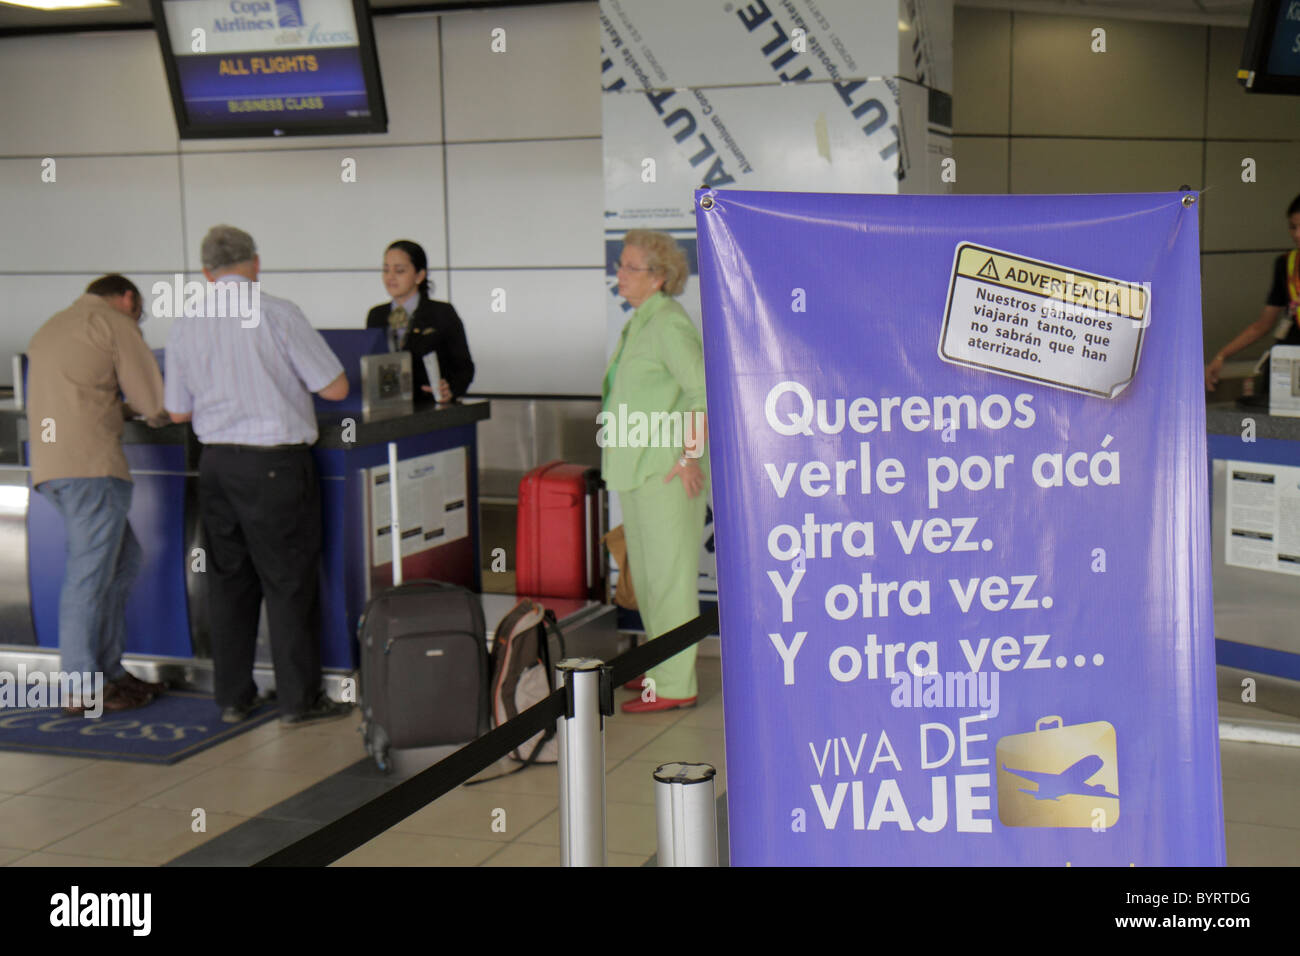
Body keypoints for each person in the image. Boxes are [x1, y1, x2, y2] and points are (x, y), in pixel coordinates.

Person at [165, 225, 352, 725]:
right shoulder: (278, 314)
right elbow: (334, 389)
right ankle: (299, 700)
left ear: (206, 272)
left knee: (229, 582)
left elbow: (178, 412)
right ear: (255, 263)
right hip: (274, 464)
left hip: (217, 466)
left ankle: (232, 697)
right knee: (288, 581)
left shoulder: (185, 324)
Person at [26, 275, 170, 716]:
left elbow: (79, 395)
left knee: (121, 562)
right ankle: (81, 685)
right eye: (140, 315)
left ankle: (109, 673)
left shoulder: (52, 325)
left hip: (52, 468)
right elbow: (153, 402)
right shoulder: (113, 322)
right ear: (128, 299)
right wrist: (165, 411)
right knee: (88, 576)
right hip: (91, 468)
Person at [602, 230, 709, 714]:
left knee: (669, 579)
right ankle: (663, 667)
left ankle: (675, 684)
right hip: (637, 468)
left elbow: (703, 391)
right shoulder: (642, 321)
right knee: (647, 578)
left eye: (630, 268)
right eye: (621, 265)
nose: (619, 275)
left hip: (665, 471)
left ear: (659, 277)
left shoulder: (667, 323)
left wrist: (690, 456)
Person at [1205, 193, 1300, 393]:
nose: (1297, 234)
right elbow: (1262, 325)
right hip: (1289, 363)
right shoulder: (1286, 264)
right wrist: (1222, 355)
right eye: (1293, 227)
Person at [365, 240, 475, 402]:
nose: (390, 277)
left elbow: (464, 368)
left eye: (399, 270)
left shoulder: (441, 312)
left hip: (430, 407)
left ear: (419, 275)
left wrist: (450, 389)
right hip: (387, 406)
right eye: (386, 270)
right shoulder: (376, 315)